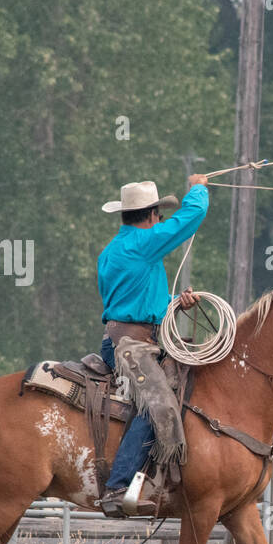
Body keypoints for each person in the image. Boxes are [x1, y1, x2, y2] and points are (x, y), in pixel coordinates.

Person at [95, 177, 211, 516]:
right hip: (131, 344)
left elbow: (135, 299)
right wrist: (198, 188)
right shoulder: (143, 245)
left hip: (127, 337)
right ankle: (118, 487)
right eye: (158, 215)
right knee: (157, 402)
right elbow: (190, 217)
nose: (160, 221)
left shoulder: (115, 250)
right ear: (152, 215)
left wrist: (176, 303)